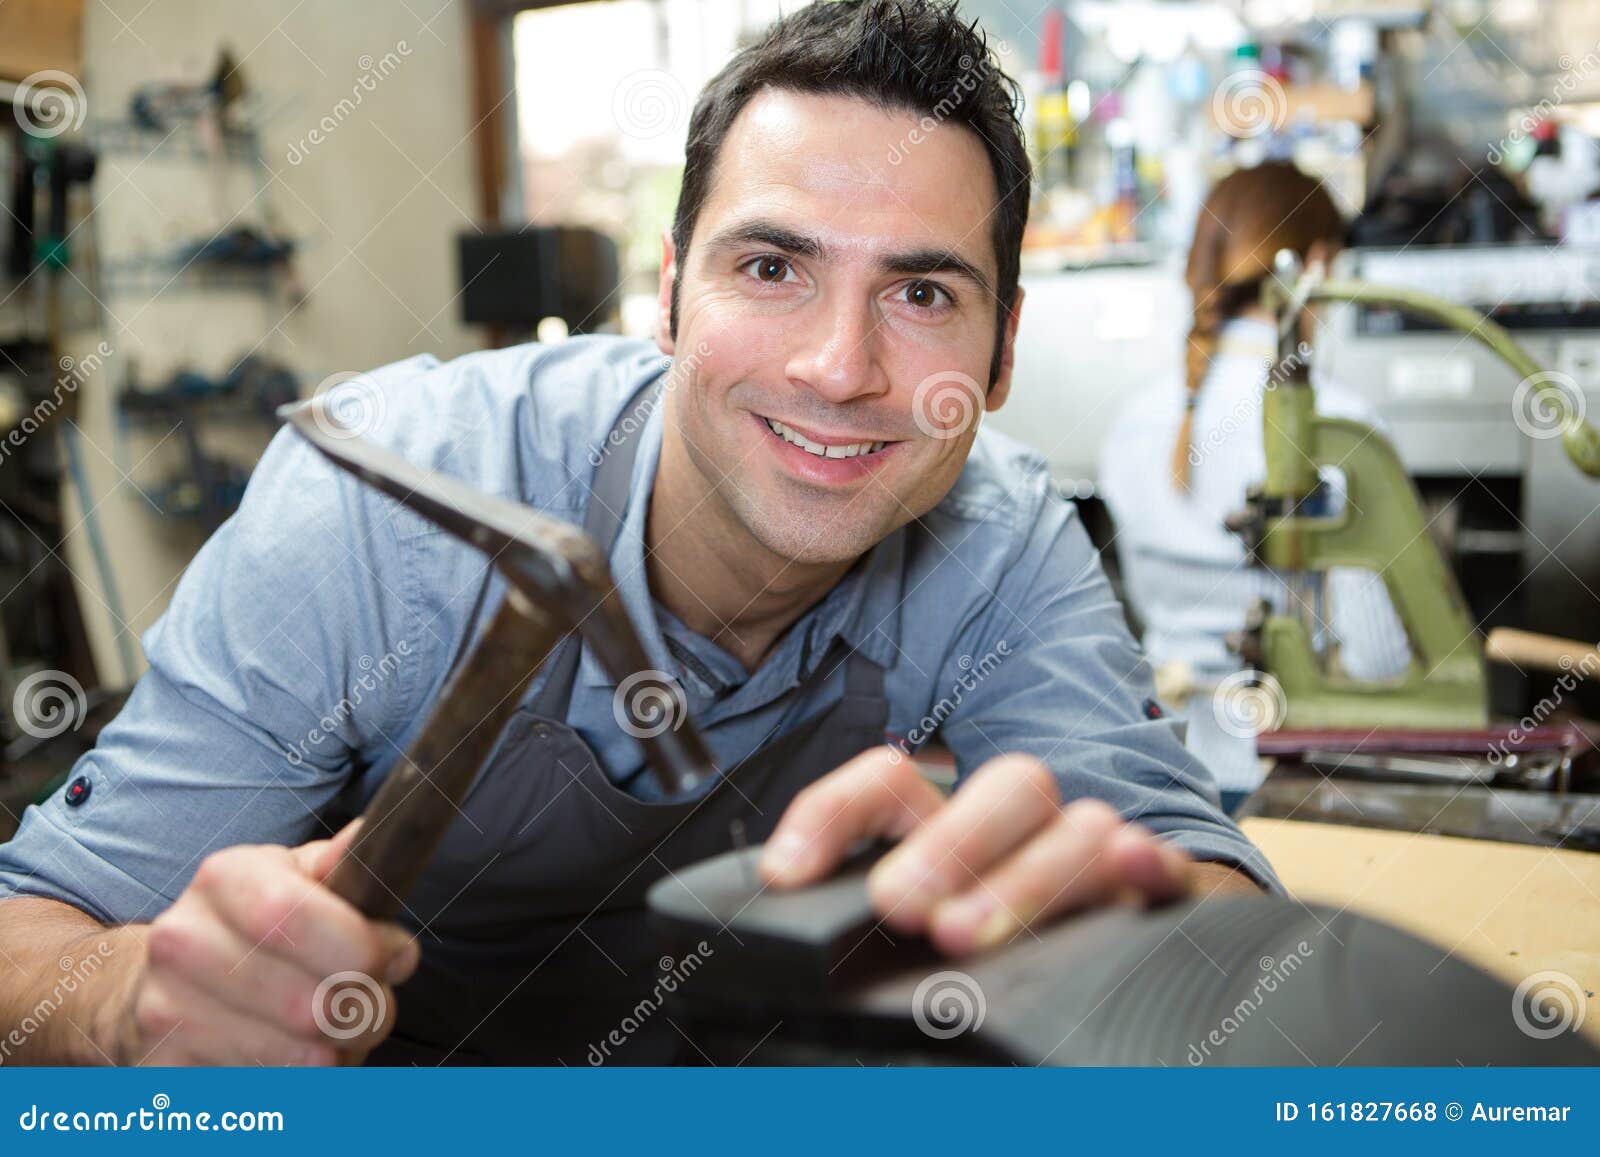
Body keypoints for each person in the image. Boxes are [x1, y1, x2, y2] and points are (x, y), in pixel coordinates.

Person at [0, 0, 1276, 1068]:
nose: (840, 367)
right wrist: (132, 997)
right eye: (771, 268)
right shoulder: (377, 507)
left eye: (922, 291)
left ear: (999, 357)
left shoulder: (996, 541)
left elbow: (1213, 899)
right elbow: (26, 937)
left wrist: (1133, 950)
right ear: (667, 294)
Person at [1099, 162, 1411, 685]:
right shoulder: (1342, 426)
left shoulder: (1132, 421)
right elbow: (1378, 662)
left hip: (1167, 739)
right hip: (1299, 753)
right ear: (1316, 266)